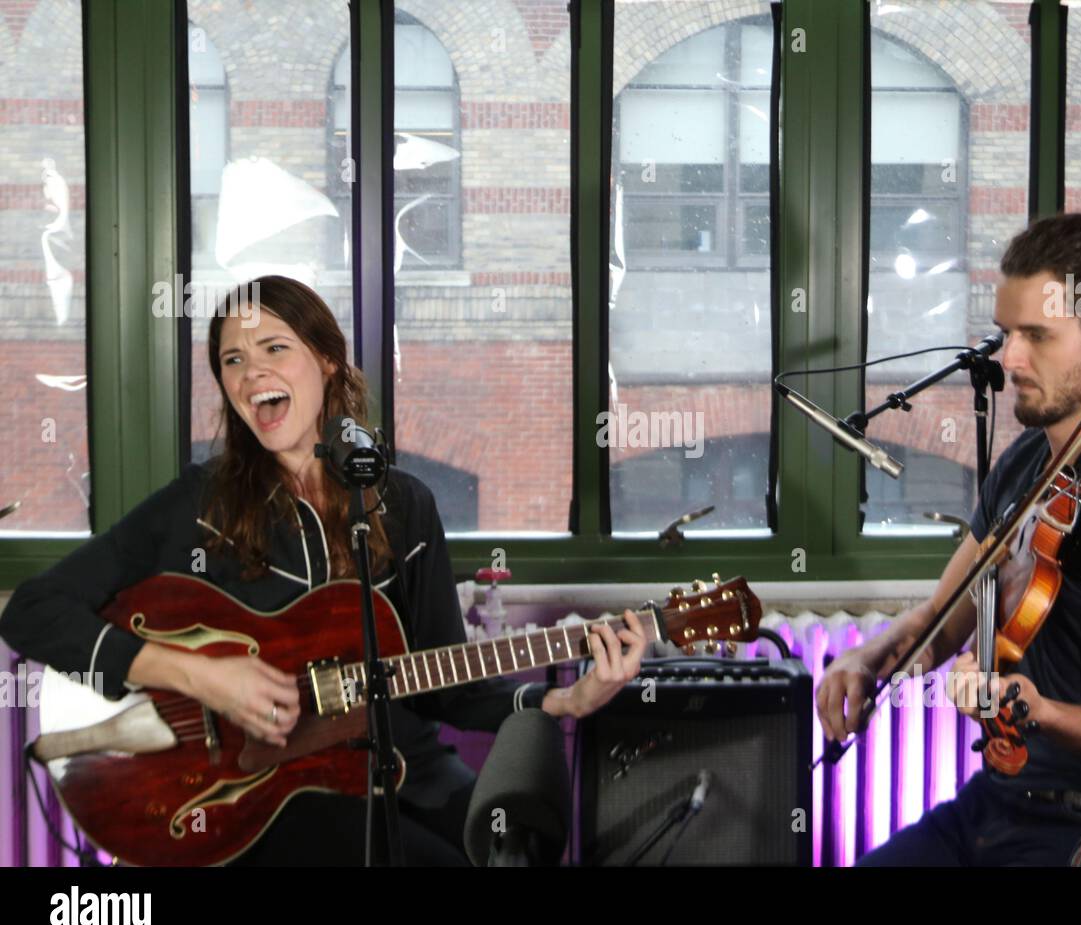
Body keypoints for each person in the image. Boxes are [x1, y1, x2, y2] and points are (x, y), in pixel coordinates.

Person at [0, 275, 648, 865]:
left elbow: (445, 685)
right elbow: (31, 612)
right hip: (266, 793)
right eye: (233, 360)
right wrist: (196, 673)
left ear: (327, 359)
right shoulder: (197, 506)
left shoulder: (404, 504)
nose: (253, 373)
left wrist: (561, 698)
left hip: (403, 769)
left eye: (274, 349)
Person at [817, 211, 1081, 866]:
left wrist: (1043, 711)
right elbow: (943, 619)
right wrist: (871, 658)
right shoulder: (1025, 461)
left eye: (1037, 335)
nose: (1011, 359)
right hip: (999, 804)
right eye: (1007, 334)